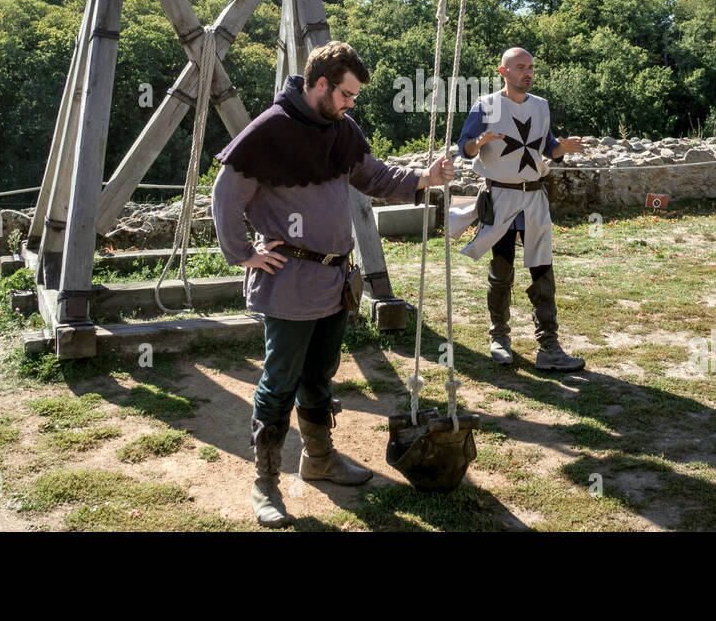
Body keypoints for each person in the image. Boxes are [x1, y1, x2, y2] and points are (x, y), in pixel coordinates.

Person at [210, 40, 454, 528]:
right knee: (279, 383)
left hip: (335, 280)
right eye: (345, 94)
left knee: (321, 376)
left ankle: (318, 459)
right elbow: (224, 195)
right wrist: (244, 254)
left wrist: (422, 178)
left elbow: (373, 175)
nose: (349, 104)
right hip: (289, 281)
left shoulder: (340, 128)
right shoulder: (269, 131)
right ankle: (266, 484)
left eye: (353, 97)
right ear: (319, 84)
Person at [457, 47, 587, 371]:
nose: (527, 73)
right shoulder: (486, 106)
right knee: (501, 272)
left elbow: (548, 147)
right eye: (520, 67)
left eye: (530, 67)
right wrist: (479, 142)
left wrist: (562, 149)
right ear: (504, 72)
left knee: (543, 272)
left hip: (534, 198)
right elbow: (465, 148)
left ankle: (549, 347)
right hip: (502, 199)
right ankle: (499, 337)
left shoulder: (541, 106)